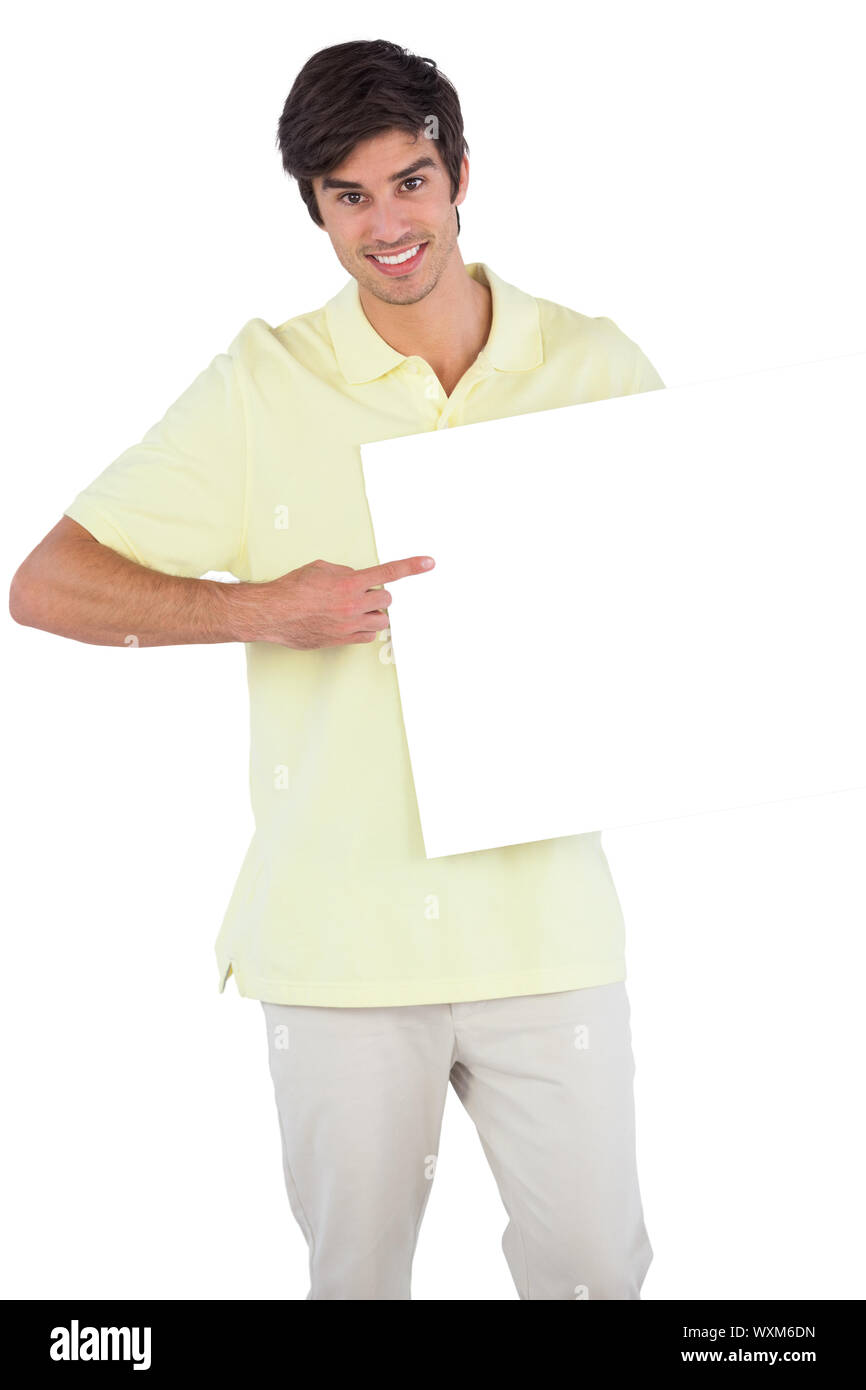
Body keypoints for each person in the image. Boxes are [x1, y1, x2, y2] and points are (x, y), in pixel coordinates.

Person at [9, 38, 664, 1301]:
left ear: (460, 172)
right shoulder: (263, 385)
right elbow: (46, 583)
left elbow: (699, 600)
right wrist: (267, 607)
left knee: (594, 1274)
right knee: (354, 1286)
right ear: (314, 209)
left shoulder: (596, 367)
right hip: (340, 943)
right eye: (348, 197)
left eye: (409, 181)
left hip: (547, 930)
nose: (388, 224)